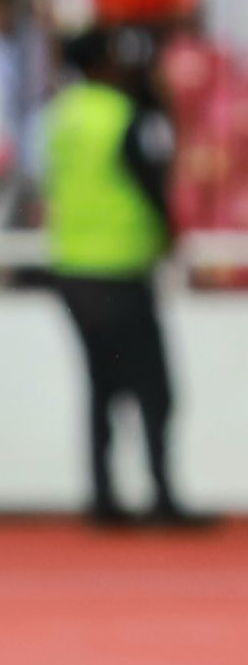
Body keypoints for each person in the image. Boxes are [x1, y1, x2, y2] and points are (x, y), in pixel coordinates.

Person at [41, 31, 195, 527]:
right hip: (121, 269)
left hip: (73, 268)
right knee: (154, 388)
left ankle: (104, 497)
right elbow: (150, 180)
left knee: (102, 385)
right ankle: (162, 496)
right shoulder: (121, 116)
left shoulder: (62, 114)